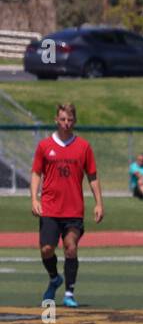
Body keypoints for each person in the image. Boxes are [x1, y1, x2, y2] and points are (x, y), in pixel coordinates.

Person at [30, 102, 104, 308]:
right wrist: (34, 199)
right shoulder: (45, 146)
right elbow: (36, 172)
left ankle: (69, 292)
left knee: (71, 247)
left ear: (75, 121)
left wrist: (99, 203)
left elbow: (93, 176)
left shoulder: (83, 147)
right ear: (56, 120)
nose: (66, 123)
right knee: (46, 249)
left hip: (73, 209)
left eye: (70, 120)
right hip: (50, 207)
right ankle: (54, 278)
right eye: (62, 119)